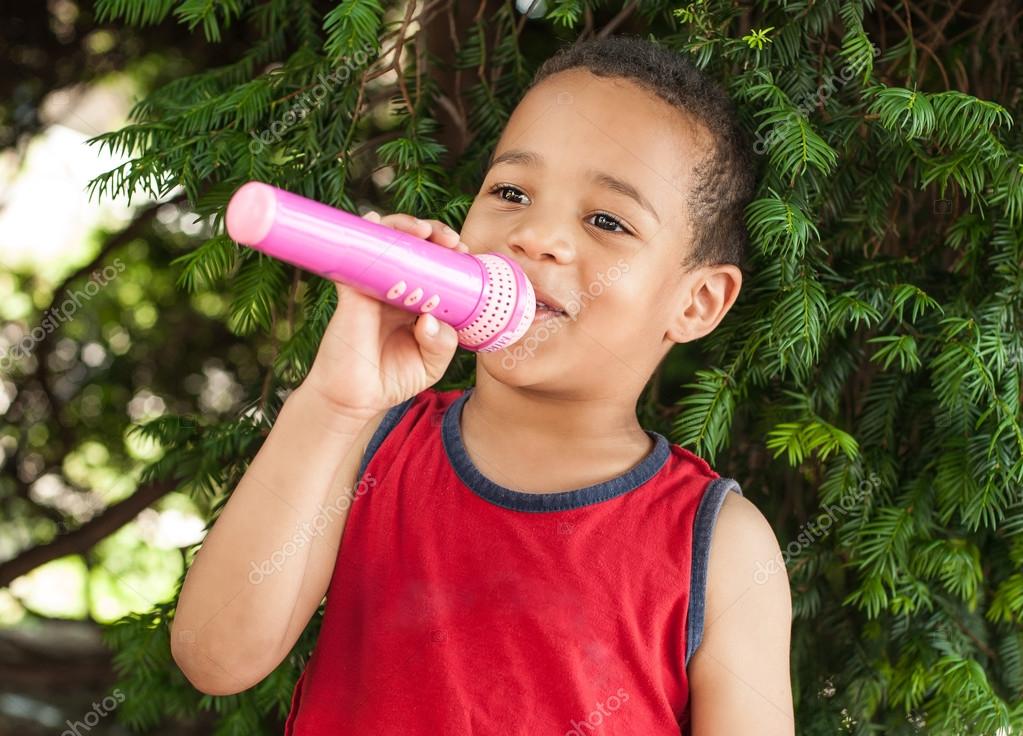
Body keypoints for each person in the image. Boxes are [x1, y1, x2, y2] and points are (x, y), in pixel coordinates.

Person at [170, 34, 794, 735]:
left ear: (696, 302)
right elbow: (214, 657)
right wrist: (335, 401)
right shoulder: (369, 444)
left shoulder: (719, 544)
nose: (533, 234)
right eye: (510, 191)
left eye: (606, 220)